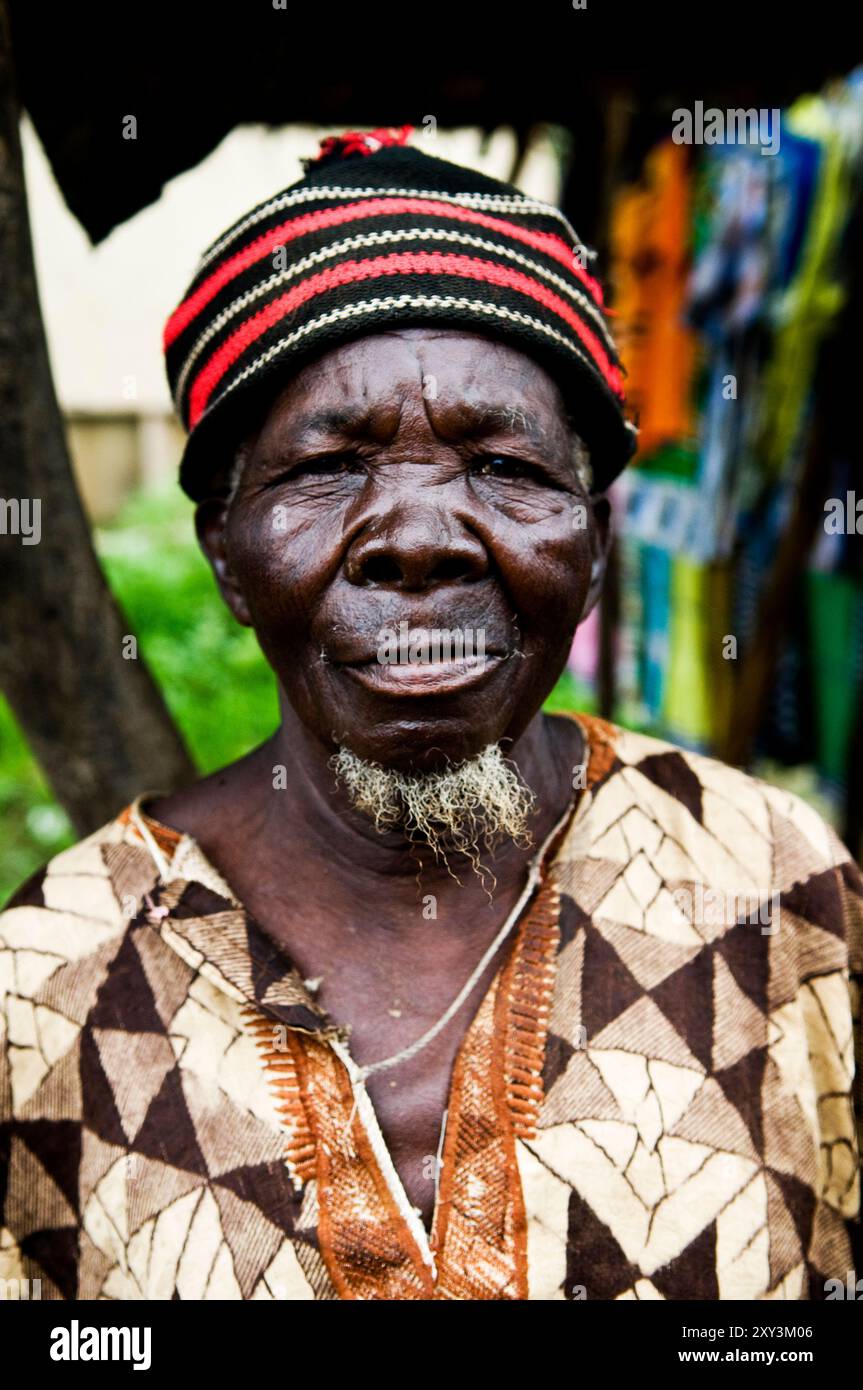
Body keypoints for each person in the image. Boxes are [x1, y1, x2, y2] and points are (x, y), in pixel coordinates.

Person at [0, 127, 860, 1302]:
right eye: (325, 467)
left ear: (593, 547)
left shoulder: (772, 885)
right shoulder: (49, 981)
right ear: (228, 556)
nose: (416, 538)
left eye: (503, 465)